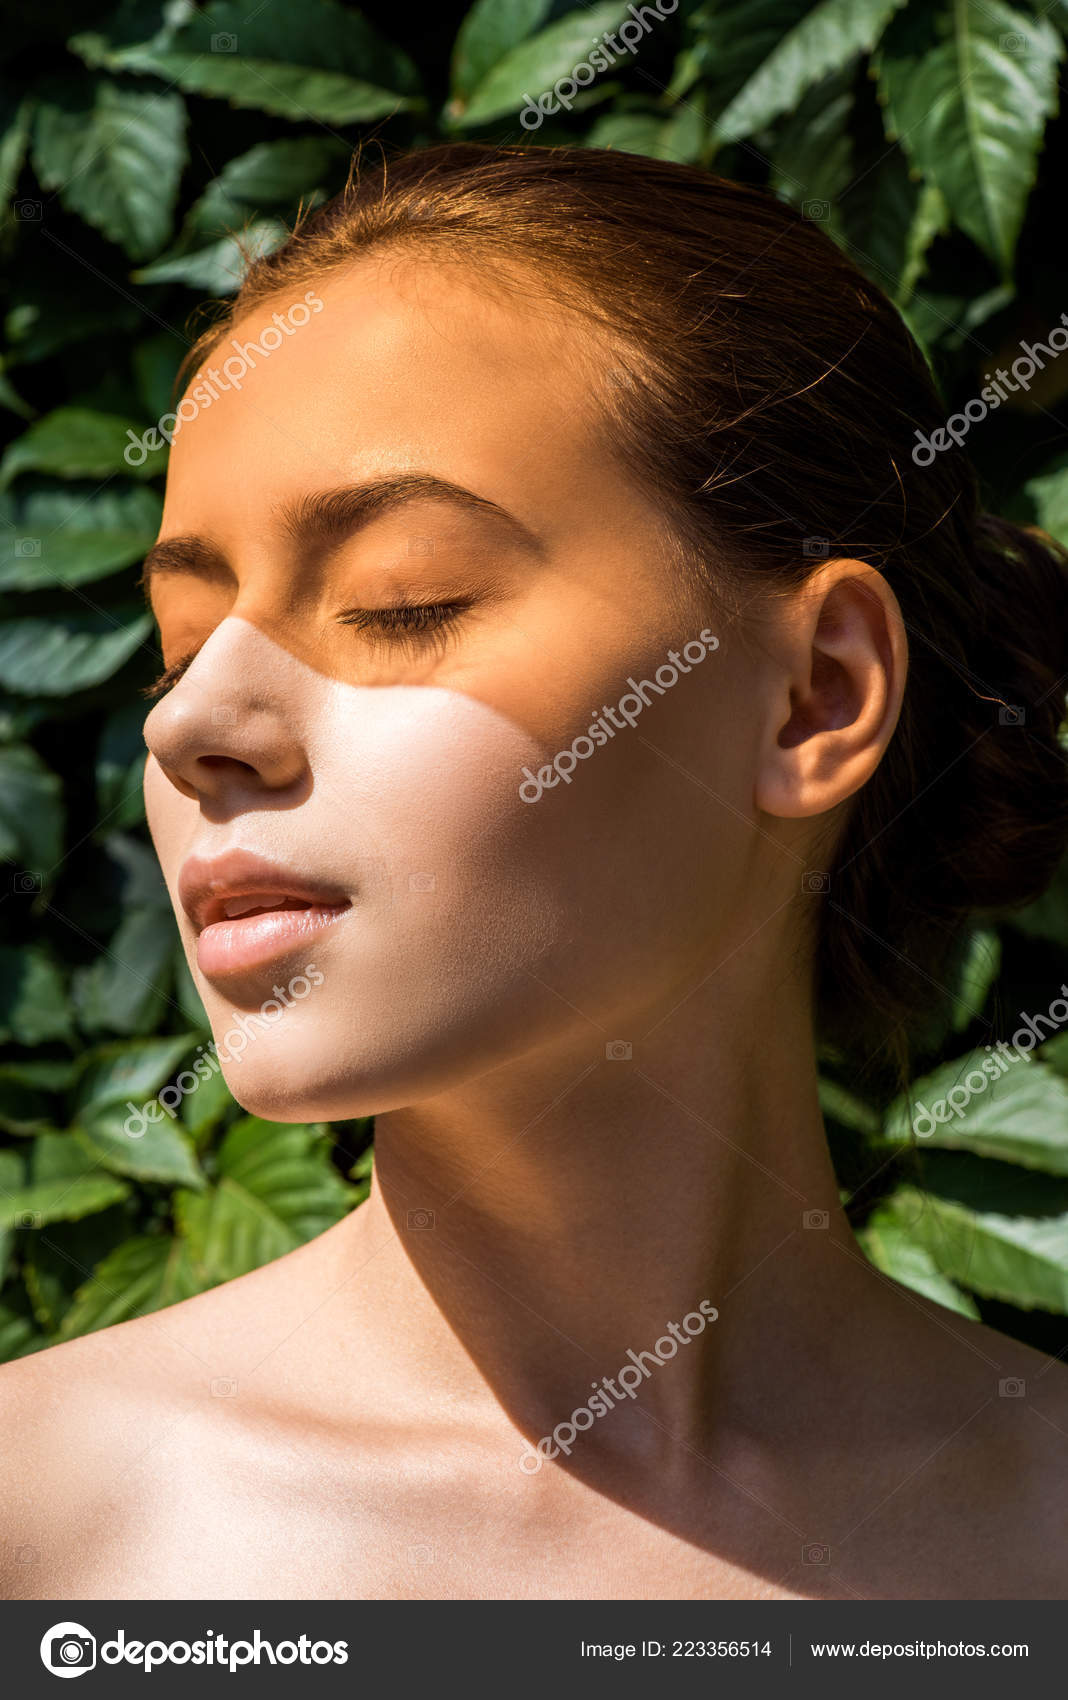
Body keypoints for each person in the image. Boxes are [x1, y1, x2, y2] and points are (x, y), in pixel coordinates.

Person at [2, 144, 1067, 1601]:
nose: (191, 725)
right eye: (179, 646)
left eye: (402, 602)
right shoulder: (41, 1529)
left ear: (817, 694)